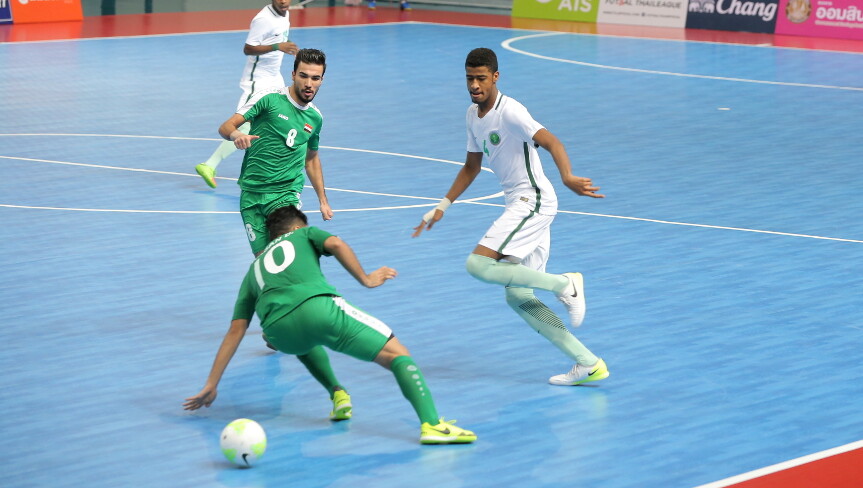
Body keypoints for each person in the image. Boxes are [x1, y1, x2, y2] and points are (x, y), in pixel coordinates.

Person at [183, 206, 477, 445]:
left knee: (304, 339)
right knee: (397, 354)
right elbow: (335, 243)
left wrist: (212, 384)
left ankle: (337, 394)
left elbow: (236, 330)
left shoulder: (252, 271)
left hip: (278, 334)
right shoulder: (304, 234)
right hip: (319, 309)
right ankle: (432, 424)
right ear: (297, 227)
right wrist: (366, 278)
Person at [412, 47, 609, 387]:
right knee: (518, 295)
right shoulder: (473, 116)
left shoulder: (511, 111)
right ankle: (588, 363)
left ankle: (567, 284)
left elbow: (552, 141)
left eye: (481, 78)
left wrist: (567, 176)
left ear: (496, 77)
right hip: (521, 205)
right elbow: (472, 165)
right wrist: (443, 204)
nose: (475, 85)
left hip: (531, 201)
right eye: (470, 79)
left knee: (477, 264)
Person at [218, 48, 334, 256]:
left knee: (288, 253)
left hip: (285, 194)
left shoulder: (315, 118)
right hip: (251, 194)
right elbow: (226, 127)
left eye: (315, 78)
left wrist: (323, 201)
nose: (309, 84)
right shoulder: (268, 99)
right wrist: (237, 136)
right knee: (266, 264)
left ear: (321, 80)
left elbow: (312, 160)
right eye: (304, 76)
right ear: (293, 75)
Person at [194, 0, 299, 189]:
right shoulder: (263, 19)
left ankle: (261, 170)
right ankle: (209, 165)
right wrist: (278, 46)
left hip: (274, 77)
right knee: (244, 126)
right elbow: (248, 48)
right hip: (257, 81)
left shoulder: (285, 13)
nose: (283, 1)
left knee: (274, 122)